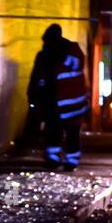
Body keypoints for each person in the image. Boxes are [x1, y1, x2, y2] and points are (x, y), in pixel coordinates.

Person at [33, 24, 87, 171]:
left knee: (53, 131)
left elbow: (37, 78)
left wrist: (33, 96)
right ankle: (71, 161)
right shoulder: (74, 53)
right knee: (73, 132)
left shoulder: (45, 56)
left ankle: (53, 159)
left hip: (54, 101)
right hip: (74, 102)